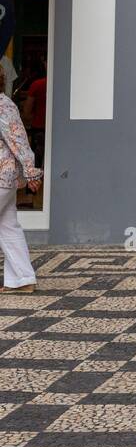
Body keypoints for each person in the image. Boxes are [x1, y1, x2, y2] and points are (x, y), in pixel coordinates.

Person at [0, 60, 42, 294]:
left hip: (1, 175)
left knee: (8, 226)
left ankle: (23, 278)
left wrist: (31, 171)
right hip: (4, 177)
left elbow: (18, 140)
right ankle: (22, 278)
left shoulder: (2, 105)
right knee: (8, 227)